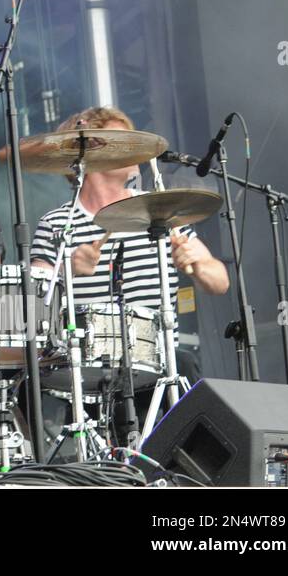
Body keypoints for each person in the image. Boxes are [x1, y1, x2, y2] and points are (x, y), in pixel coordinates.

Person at [29, 105, 230, 448]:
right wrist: (66, 271)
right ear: (91, 152)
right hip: (87, 365)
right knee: (32, 380)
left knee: (183, 364)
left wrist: (197, 262)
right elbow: (33, 301)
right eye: (123, 140)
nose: (136, 147)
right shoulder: (56, 224)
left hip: (158, 358)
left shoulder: (162, 210)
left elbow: (220, 282)